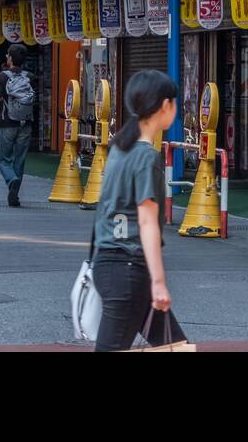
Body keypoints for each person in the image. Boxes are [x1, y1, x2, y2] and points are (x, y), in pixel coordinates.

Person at [91, 70, 187, 352]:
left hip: (111, 264)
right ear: (165, 106)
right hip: (128, 269)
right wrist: (158, 282)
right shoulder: (146, 157)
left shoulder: (120, 148)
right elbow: (147, 223)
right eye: (175, 103)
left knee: (176, 347)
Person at [0, 44, 35, 207]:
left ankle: (11, 180)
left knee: (3, 160)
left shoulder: (3, 76)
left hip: (8, 123)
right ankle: (14, 197)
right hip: (26, 123)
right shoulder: (30, 76)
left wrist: (2, 97)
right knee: (20, 160)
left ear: (10, 58)